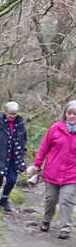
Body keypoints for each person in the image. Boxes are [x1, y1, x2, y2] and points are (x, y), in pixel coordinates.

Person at [31, 100, 76, 239]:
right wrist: (37, 165)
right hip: (52, 172)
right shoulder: (55, 128)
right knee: (51, 199)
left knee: (66, 200)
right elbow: (44, 148)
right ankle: (46, 220)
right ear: (65, 114)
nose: (72, 116)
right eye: (70, 113)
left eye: (75, 114)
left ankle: (65, 227)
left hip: (71, 175)